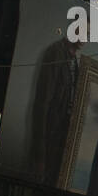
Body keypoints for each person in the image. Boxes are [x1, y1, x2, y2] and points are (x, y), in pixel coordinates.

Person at [30, 34, 83, 187]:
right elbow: (42, 103)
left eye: (89, 33)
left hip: (64, 137)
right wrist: (40, 153)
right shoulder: (56, 52)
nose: (86, 37)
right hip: (50, 136)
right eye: (84, 31)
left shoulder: (77, 60)